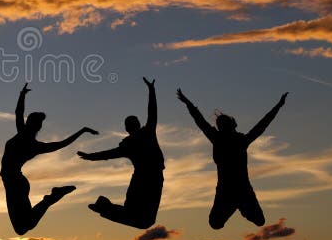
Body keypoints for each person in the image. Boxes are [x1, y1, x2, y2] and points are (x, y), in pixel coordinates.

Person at [177, 88, 288, 229]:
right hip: (226, 190)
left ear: (230, 125)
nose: (220, 126)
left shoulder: (239, 140)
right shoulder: (219, 138)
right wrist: (187, 103)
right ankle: (236, 205)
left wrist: (278, 106)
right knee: (215, 224)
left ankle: (240, 206)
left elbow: (262, 125)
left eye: (222, 123)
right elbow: (199, 120)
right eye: (219, 124)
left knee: (260, 221)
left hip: (242, 189)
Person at [2, 83, 97, 235]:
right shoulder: (33, 144)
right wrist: (83, 130)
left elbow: (18, 113)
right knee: (25, 226)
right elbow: (62, 144)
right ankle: (53, 196)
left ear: (29, 123)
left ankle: (52, 197)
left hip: (14, 182)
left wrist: (22, 94)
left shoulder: (24, 136)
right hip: (16, 182)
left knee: (22, 227)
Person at [78, 78, 164, 229]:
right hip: (148, 178)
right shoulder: (138, 139)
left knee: (141, 219)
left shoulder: (144, 134)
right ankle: (103, 206)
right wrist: (151, 91)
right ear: (133, 127)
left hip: (149, 179)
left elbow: (152, 113)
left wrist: (90, 157)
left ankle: (103, 206)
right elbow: (152, 112)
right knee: (143, 220)